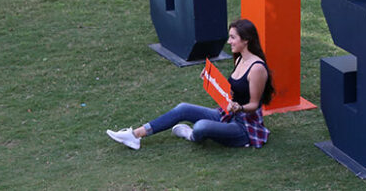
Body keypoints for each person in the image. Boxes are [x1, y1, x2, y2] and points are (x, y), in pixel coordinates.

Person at [106, 19, 273, 149]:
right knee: (183, 108)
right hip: (227, 115)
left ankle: (191, 135)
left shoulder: (257, 68)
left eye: (233, 37)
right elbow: (236, 89)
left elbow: (254, 104)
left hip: (244, 127)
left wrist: (239, 108)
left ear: (246, 40)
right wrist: (211, 79)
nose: (229, 41)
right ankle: (135, 135)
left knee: (200, 127)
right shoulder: (240, 59)